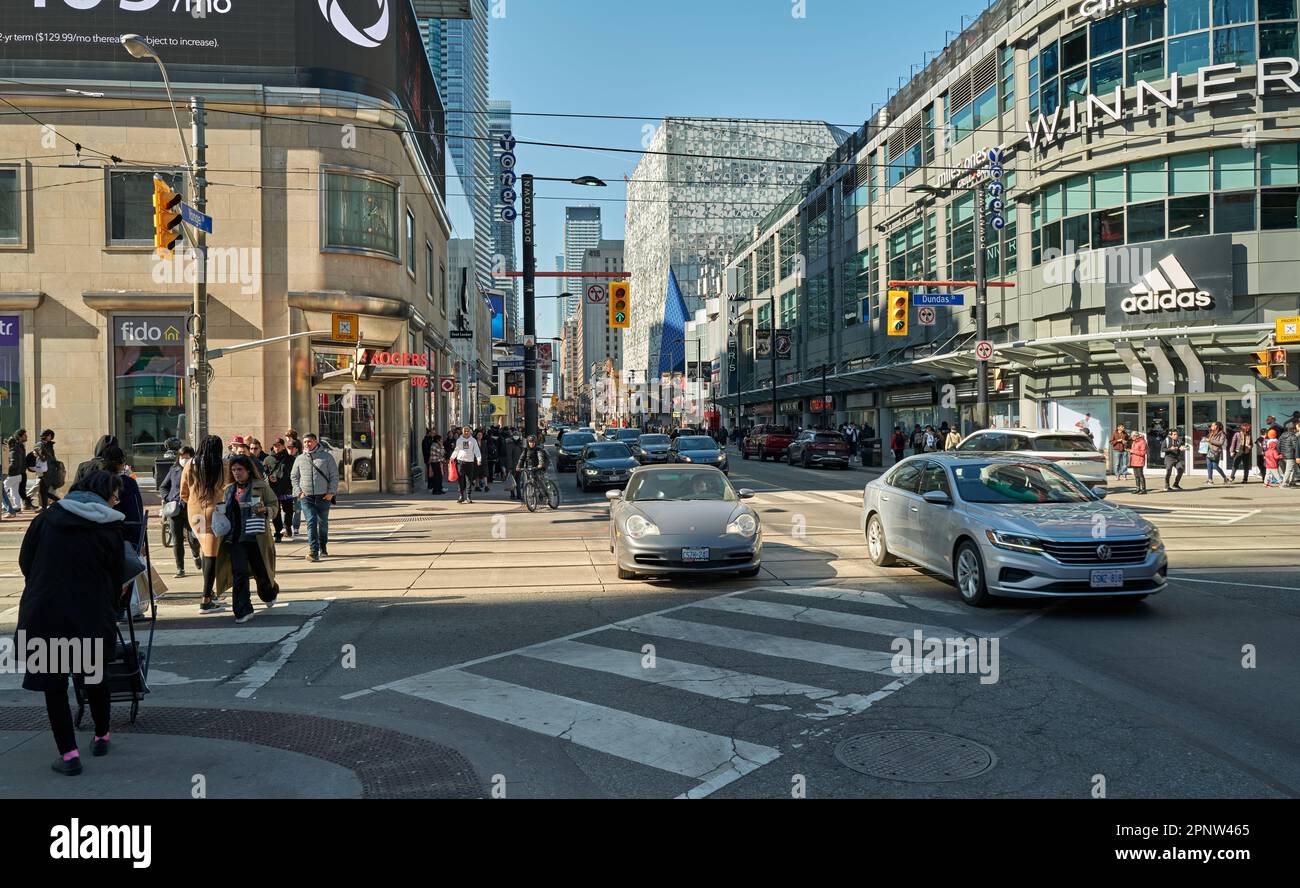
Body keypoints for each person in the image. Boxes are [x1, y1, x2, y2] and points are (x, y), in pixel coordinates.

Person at [17, 470, 126, 775]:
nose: (116, 501)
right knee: (93, 674)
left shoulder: (47, 518)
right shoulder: (110, 527)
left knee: (54, 685)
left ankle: (69, 755)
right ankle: (102, 735)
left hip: (46, 611)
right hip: (89, 612)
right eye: (114, 495)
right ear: (105, 495)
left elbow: (26, 560)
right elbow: (117, 577)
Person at [218, 455, 280, 622]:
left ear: (248, 470)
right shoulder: (229, 489)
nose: (236, 473)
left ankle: (269, 592)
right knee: (239, 573)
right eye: (233, 470)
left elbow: (275, 505)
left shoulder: (261, 486)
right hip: (236, 538)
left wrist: (266, 510)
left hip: (256, 537)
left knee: (261, 571)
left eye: (240, 469)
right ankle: (243, 610)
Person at [181, 435, 230, 613]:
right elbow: (230, 487)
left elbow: (183, 492)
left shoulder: (190, 464)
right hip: (214, 511)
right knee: (211, 554)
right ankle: (206, 598)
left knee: (205, 550)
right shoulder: (224, 464)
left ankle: (210, 594)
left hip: (194, 512)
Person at [291, 433, 338, 563]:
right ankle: (313, 551)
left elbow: (334, 476)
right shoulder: (300, 459)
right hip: (306, 497)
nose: (307, 444)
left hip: (324, 496)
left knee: (322, 524)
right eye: (305, 442)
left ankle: (323, 545)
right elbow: (294, 477)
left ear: (316, 442)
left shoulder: (327, 457)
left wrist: (331, 492)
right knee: (311, 521)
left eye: (310, 441)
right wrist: (299, 492)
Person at [158, 446, 201, 577]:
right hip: (175, 509)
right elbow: (163, 487)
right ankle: (180, 568)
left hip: (192, 509)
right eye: (182, 457)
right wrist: (168, 498)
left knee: (193, 538)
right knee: (177, 540)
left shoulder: (198, 470)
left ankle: (196, 554)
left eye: (187, 457)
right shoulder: (174, 470)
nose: (184, 459)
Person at [262, 438, 296, 541]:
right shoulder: (268, 459)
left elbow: (295, 473)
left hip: (287, 489)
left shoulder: (290, 459)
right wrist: (268, 477)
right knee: (276, 512)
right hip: (273, 490)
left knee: (289, 511)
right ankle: (278, 533)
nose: (277, 448)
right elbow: (263, 472)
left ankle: (288, 526)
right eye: (275, 446)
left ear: (283, 446)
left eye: (279, 445)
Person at [449, 426, 482, 504]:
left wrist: (478, 459)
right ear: (462, 432)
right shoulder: (459, 440)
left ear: (470, 432)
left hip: (470, 462)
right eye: (465, 431)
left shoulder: (473, 441)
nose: (466, 432)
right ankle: (461, 496)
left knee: (469, 480)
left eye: (468, 431)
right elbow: (456, 450)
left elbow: (476, 450)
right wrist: (452, 457)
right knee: (460, 479)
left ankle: (468, 496)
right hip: (460, 462)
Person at [33, 429, 63, 511]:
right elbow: (40, 457)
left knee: (44, 490)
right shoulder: (40, 445)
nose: (51, 437)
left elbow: (52, 457)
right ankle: (54, 503)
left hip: (49, 470)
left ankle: (46, 506)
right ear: (45, 436)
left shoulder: (49, 445)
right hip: (44, 470)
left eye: (51, 435)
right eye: (49, 435)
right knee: (44, 490)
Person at [5, 428, 28, 515]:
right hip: (18, 474)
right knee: (14, 491)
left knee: (2, 490)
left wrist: (6, 470)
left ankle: (9, 508)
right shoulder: (18, 448)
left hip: (12, 475)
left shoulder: (13, 450)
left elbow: (13, 463)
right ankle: (17, 507)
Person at [499, 429, 523, 500]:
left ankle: (517, 495)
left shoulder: (519, 443)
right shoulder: (510, 443)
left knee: (517, 481)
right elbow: (509, 456)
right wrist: (510, 467)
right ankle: (514, 494)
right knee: (513, 480)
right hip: (512, 465)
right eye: (515, 435)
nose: (516, 437)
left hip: (518, 465)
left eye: (517, 435)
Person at [1127, 430, 1148, 494]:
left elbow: (1143, 453)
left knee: (1140, 475)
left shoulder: (1142, 442)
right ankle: (1138, 488)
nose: (1132, 438)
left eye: (1132, 437)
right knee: (1136, 476)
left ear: (1136, 436)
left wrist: (1132, 451)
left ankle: (1144, 489)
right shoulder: (1134, 442)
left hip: (1139, 461)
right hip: (1134, 460)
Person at [1279, 421, 1298, 488]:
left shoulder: (1282, 435)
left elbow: (1279, 445)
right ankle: (1284, 483)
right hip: (1291, 455)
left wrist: (1280, 453)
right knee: (1289, 470)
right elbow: (1295, 447)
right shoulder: (1293, 436)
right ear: (1293, 429)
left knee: (1292, 469)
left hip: (1283, 455)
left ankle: (1292, 482)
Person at [421, 428, 436, 493]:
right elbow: (427, 451)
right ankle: (430, 486)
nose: (434, 434)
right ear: (429, 433)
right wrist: (430, 457)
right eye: (432, 433)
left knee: (432, 473)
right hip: (429, 459)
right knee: (430, 473)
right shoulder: (426, 440)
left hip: (431, 459)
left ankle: (432, 486)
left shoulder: (431, 440)